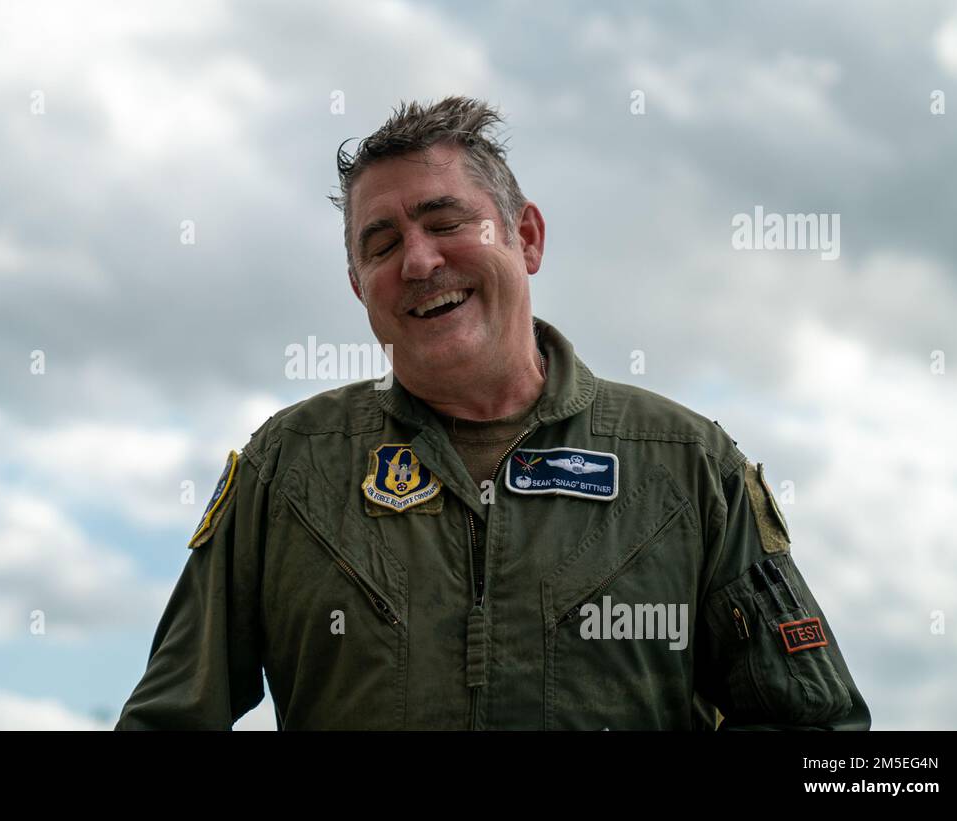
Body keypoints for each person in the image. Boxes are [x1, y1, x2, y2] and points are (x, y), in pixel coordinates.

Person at [115, 96, 870, 730]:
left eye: (446, 223)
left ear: (527, 237)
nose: (417, 261)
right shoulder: (287, 469)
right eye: (380, 244)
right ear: (358, 285)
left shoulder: (688, 466)